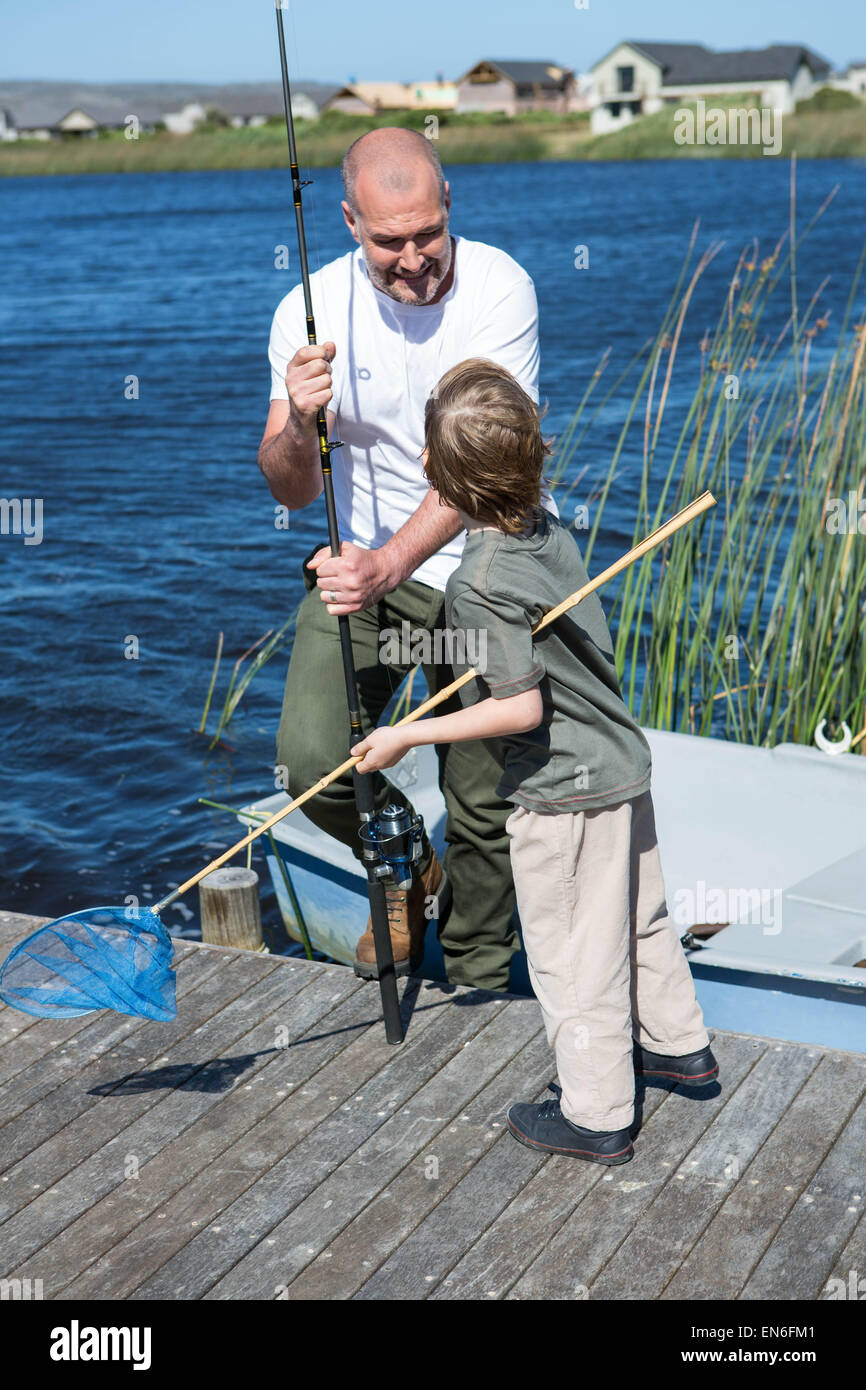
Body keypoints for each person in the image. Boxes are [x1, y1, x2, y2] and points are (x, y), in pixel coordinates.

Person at [353, 358, 718, 1165]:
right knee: (635, 918)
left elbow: (519, 707)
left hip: (563, 790)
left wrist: (408, 736)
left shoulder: (476, 581)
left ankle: (597, 1112)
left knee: (571, 952)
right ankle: (678, 1046)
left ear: (438, 481)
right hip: (619, 759)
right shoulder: (546, 526)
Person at [259, 127, 556, 991]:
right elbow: (290, 492)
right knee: (313, 763)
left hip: (486, 578)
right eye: (390, 240)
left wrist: (391, 562)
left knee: (482, 804)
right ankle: (402, 865)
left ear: (448, 208)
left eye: (428, 232)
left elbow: (486, 472)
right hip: (363, 577)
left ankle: (477, 986)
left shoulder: (501, 289)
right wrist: (296, 419)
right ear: (350, 221)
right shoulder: (304, 310)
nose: (415, 258)